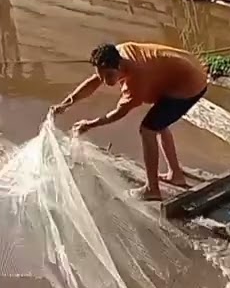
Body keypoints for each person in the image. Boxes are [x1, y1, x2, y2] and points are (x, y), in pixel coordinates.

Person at [51, 42, 209, 201]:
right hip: (184, 70)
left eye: (108, 76)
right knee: (159, 123)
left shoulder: (136, 79)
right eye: (102, 75)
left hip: (190, 84)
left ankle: (152, 189)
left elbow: (119, 113)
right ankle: (176, 175)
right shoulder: (117, 54)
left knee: (148, 129)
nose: (105, 81)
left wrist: (90, 124)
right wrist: (67, 103)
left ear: (119, 67)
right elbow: (93, 82)